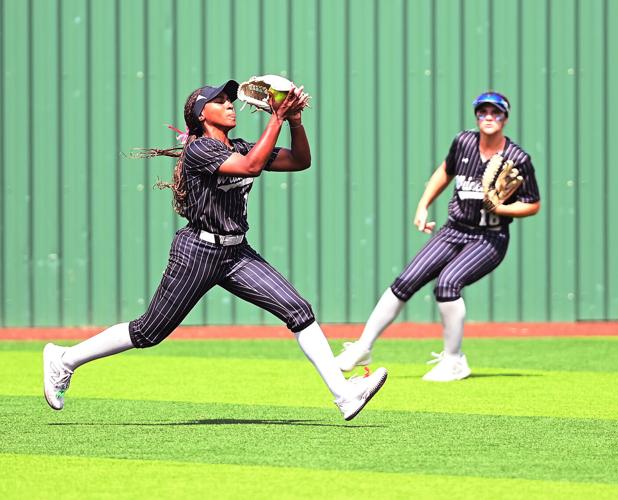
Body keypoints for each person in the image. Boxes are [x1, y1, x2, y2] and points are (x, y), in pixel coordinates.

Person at [43, 80, 387, 421]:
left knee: (299, 310)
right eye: (218, 100)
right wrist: (277, 118)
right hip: (197, 253)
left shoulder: (240, 145)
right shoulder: (200, 151)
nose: (228, 104)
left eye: (228, 99)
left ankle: (344, 395)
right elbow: (251, 166)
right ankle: (64, 359)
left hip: (236, 254)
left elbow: (300, 160)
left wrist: (295, 121)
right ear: (200, 115)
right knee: (148, 332)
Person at [335, 92, 541, 381]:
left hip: (489, 237)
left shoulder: (518, 158)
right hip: (454, 229)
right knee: (405, 281)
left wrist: (504, 207)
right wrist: (423, 204)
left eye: (496, 113)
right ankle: (363, 347)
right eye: (483, 112)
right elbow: (444, 172)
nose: (489, 117)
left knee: (448, 283)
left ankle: (455, 360)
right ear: (476, 116)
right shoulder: (464, 142)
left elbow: (533, 204)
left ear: (505, 118)